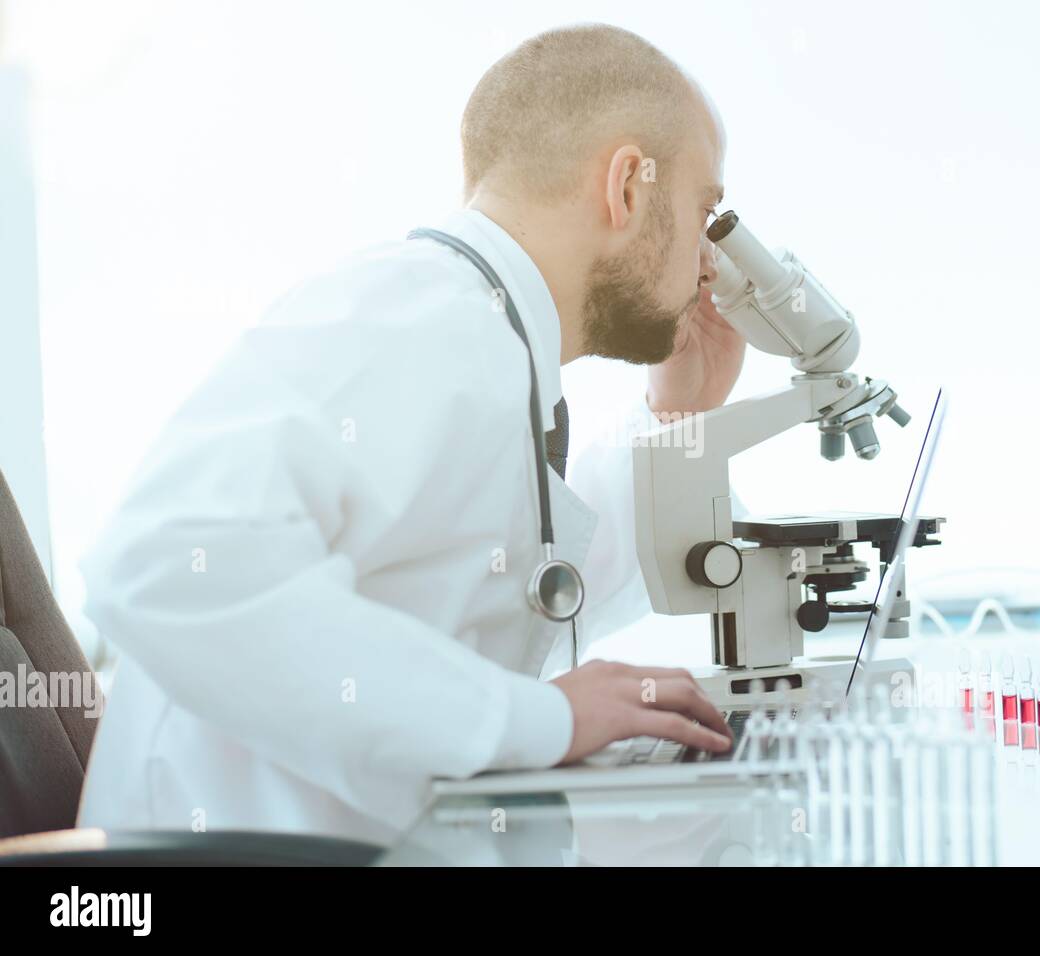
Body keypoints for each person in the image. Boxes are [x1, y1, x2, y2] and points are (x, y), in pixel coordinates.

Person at [78, 24, 745, 842]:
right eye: (704, 211)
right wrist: (535, 718)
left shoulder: (487, 340)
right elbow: (163, 564)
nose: (709, 264)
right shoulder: (413, 318)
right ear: (628, 188)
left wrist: (681, 418)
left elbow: (540, 589)